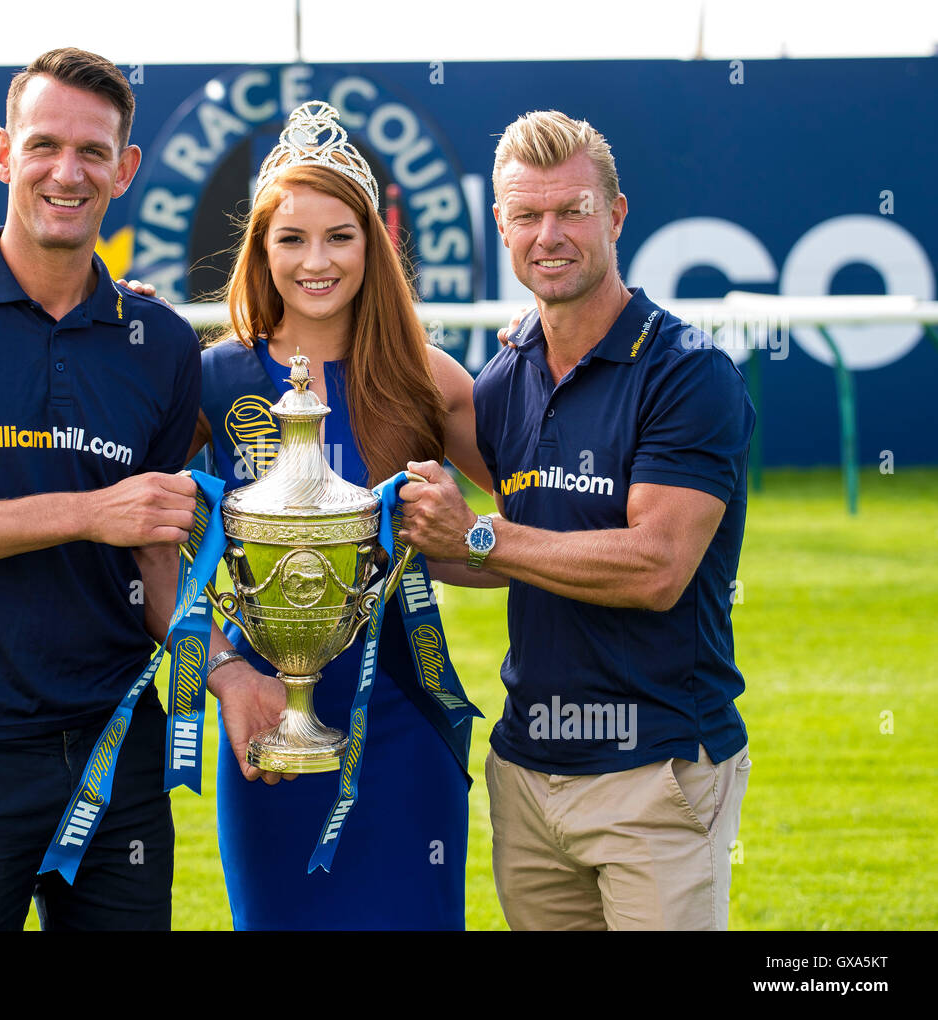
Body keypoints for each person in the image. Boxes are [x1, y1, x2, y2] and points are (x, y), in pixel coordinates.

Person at [0, 47, 281, 931]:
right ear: (4, 154)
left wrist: (229, 672)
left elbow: (159, 559)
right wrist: (87, 511)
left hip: (118, 744)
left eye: (93, 152)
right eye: (45, 145)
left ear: (126, 170)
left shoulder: (156, 341)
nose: (66, 172)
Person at [399, 110, 755, 931]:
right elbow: (506, 551)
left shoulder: (687, 374)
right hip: (526, 775)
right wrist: (392, 542)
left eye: (572, 211)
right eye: (527, 215)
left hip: (656, 772)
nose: (548, 234)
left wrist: (479, 533)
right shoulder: (504, 375)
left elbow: (657, 568)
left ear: (617, 214)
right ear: (501, 224)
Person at [181, 101, 497, 930]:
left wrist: (467, 538)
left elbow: (517, 529)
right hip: (265, 733)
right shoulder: (210, 381)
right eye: (291, 239)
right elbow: (152, 548)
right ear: (262, 248)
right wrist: (223, 672)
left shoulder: (427, 378)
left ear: (373, 245)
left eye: (339, 237)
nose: (315, 261)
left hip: (402, 722)